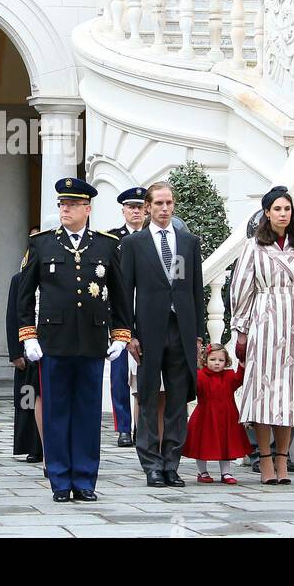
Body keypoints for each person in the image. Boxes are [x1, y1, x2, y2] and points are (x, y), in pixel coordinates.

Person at [17, 177, 131, 503]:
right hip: (53, 341)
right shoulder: (42, 244)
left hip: (93, 340)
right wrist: (28, 336)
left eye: (72, 204)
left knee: (87, 412)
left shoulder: (106, 245)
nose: (64, 209)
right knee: (55, 412)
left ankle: (84, 479)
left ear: (87, 208)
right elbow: (24, 297)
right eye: (62, 204)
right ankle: (59, 480)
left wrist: (121, 334)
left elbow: (121, 296)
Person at [230, 186, 294, 485]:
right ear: (267, 213)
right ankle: (264, 459)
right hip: (264, 318)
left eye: (287, 209)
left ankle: (283, 458)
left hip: (293, 319)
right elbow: (241, 287)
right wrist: (241, 330)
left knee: (289, 394)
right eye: (277, 209)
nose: (283, 214)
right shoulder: (253, 246)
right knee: (262, 393)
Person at [120, 181, 205, 488]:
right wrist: (128, 333)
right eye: (158, 203)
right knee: (146, 395)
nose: (164, 208)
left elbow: (196, 291)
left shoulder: (188, 242)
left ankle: (171, 462)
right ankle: (151, 464)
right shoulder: (134, 244)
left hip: (180, 329)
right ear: (148, 207)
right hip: (148, 330)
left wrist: (198, 335)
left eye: (169, 203)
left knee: (178, 398)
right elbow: (124, 291)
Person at [106, 186, 146, 448]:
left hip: (146, 311)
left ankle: (144, 426)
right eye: (131, 207)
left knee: (146, 373)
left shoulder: (155, 237)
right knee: (119, 375)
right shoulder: (111, 239)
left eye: (140, 207)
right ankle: (123, 427)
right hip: (119, 312)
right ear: (123, 210)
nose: (135, 211)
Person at [183, 343, 251, 484]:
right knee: (201, 444)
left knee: (226, 443)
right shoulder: (200, 376)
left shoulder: (229, 376)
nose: (217, 363)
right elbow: (190, 386)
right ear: (205, 360)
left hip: (227, 415)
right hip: (205, 415)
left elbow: (240, 379)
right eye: (213, 360)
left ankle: (225, 473)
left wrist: (242, 365)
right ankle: (202, 472)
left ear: (226, 362)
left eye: (221, 360)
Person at [6, 249, 43, 463]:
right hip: (25, 355)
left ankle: (45, 445)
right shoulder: (19, 280)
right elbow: (12, 317)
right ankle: (31, 446)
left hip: (46, 349)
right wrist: (15, 353)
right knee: (27, 401)